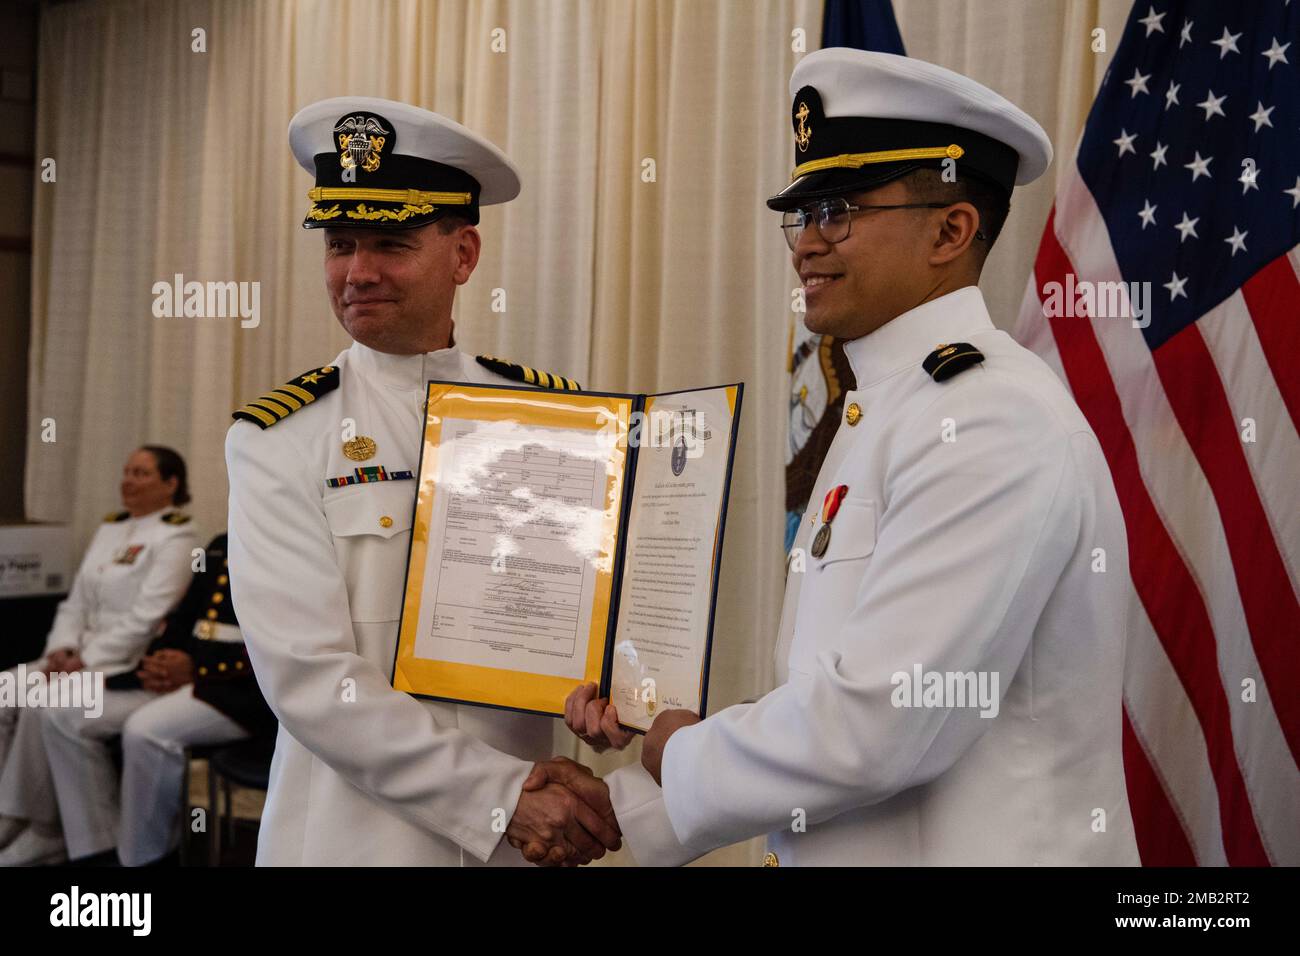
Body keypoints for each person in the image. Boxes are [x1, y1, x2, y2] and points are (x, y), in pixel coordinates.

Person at [558, 48, 1140, 866]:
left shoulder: (988, 420)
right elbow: (830, 702)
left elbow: (874, 729)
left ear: (951, 230)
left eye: (838, 210)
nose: (805, 246)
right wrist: (623, 808)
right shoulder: (885, 410)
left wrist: (676, 750)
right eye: (802, 215)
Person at [224, 97, 618, 866]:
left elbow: (585, 616)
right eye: (340, 244)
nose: (357, 272)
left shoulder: (551, 419)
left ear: (464, 255)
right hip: (355, 840)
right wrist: (499, 797)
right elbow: (309, 680)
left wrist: (615, 694)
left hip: (522, 840)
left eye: (390, 243)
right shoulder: (279, 438)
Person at [0, 446, 197, 866]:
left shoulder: (178, 536)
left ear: (171, 483)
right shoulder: (111, 528)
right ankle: (10, 811)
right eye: (126, 471)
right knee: (3, 691)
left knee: (42, 705)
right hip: (76, 654)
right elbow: (76, 602)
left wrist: (83, 663)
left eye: (142, 473)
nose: (128, 480)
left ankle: (38, 823)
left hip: (118, 664)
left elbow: (147, 617)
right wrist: (61, 649)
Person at [101, 532, 276, 866]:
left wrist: (197, 668)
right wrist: (163, 658)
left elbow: (277, 642)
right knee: (101, 712)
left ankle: (147, 856)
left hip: (246, 691)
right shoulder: (218, 545)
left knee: (145, 731)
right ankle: (115, 841)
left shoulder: (285, 541)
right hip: (198, 679)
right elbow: (186, 615)